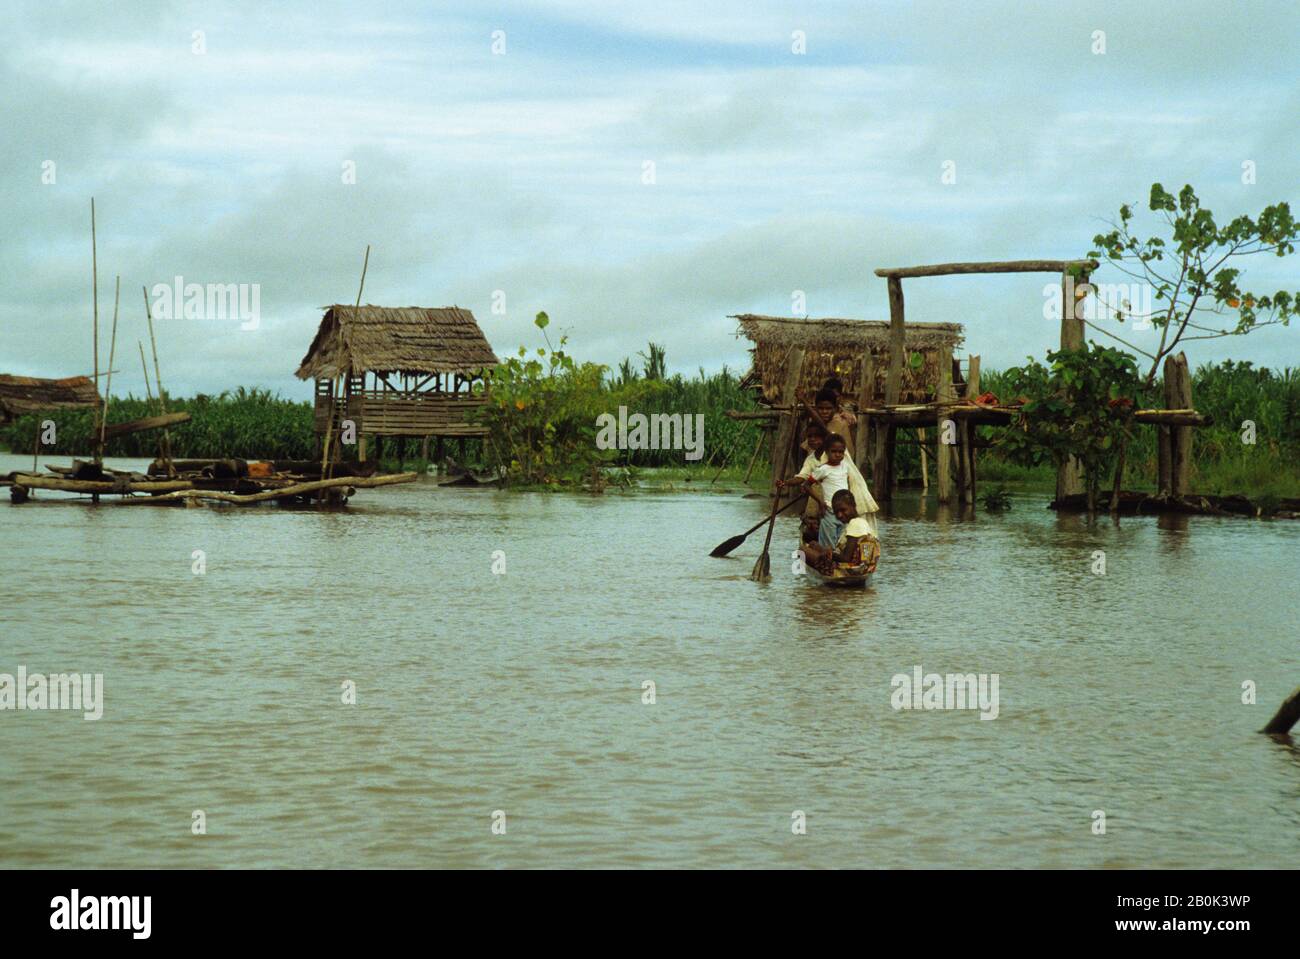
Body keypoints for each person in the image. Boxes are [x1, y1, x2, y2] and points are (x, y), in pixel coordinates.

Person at [779, 433, 879, 546]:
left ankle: (837, 560)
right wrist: (820, 502)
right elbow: (806, 485)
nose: (838, 455)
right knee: (828, 543)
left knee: (842, 541)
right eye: (834, 451)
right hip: (829, 510)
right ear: (827, 452)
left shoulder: (845, 466)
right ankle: (826, 559)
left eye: (841, 452)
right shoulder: (823, 469)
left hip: (844, 512)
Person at [800, 489, 880, 576]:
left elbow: (845, 558)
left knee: (802, 550)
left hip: (848, 571)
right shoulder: (861, 523)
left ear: (853, 506)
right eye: (836, 512)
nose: (839, 515)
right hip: (858, 569)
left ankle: (821, 574)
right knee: (813, 544)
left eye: (843, 510)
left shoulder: (855, 524)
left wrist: (825, 552)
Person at [814, 385, 857, 451]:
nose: (824, 411)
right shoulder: (815, 424)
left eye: (828, 408)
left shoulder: (840, 424)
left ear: (834, 408)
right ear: (816, 408)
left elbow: (848, 451)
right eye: (821, 408)